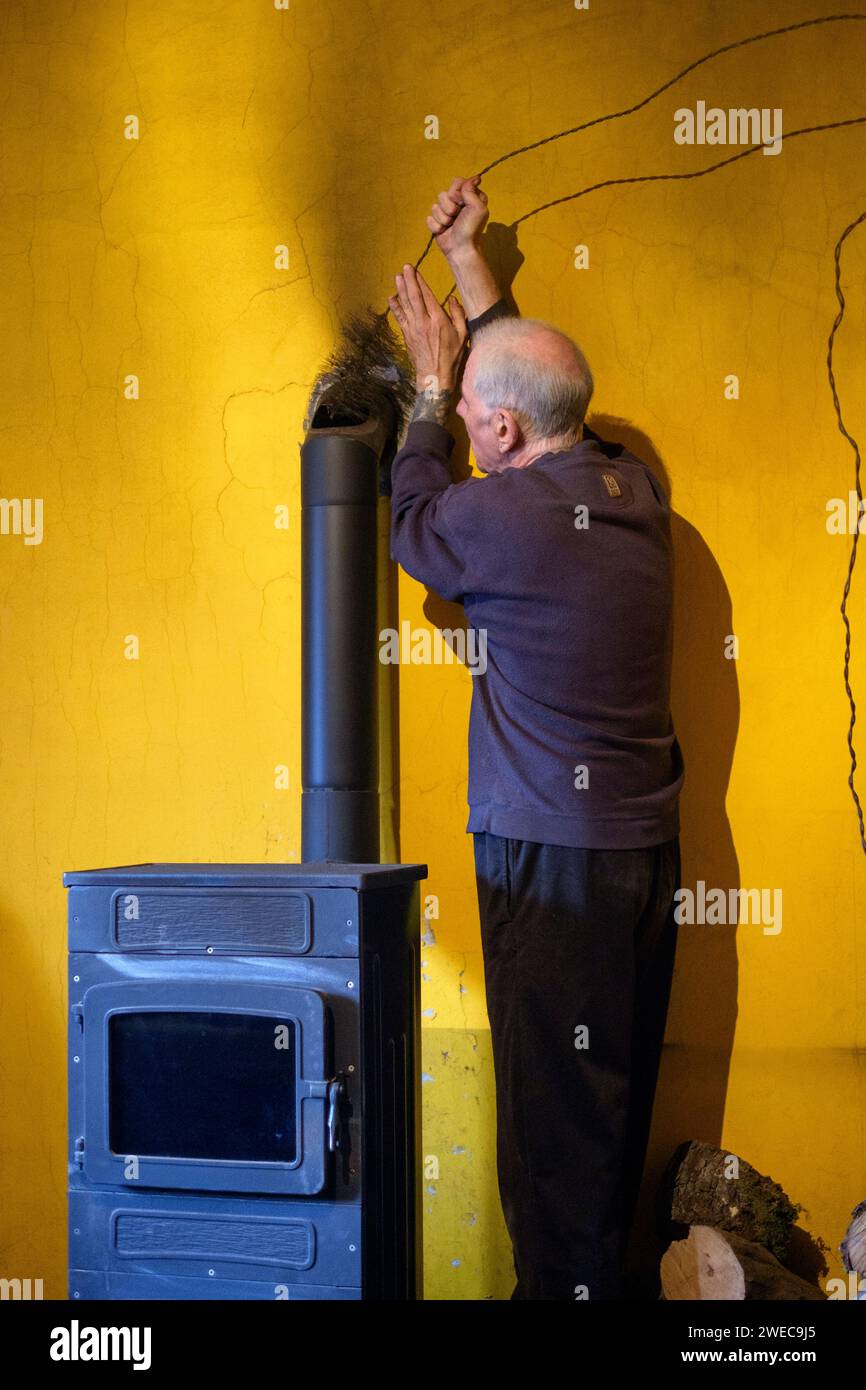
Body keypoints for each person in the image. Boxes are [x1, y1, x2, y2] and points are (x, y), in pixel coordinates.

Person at [387, 177, 686, 1301]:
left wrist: (423, 390)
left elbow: (414, 520)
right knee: (599, 1116)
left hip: (550, 869)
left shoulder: (493, 521)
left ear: (499, 431)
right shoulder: (633, 490)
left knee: (553, 1143)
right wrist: (471, 265)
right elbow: (532, 389)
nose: (462, 418)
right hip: (635, 860)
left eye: (471, 412)